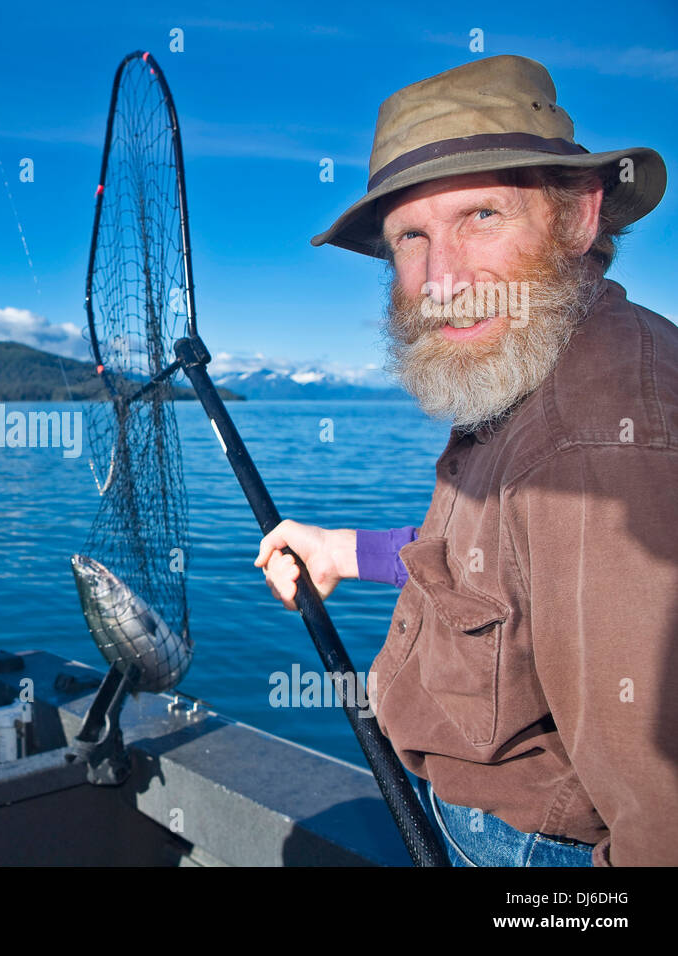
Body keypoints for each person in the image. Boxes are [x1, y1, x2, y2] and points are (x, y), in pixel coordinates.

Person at [254, 55, 678, 866]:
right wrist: (342, 550)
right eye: (412, 235)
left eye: (481, 215)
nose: (442, 280)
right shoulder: (541, 364)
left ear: (579, 217)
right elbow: (503, 572)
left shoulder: (596, 444)